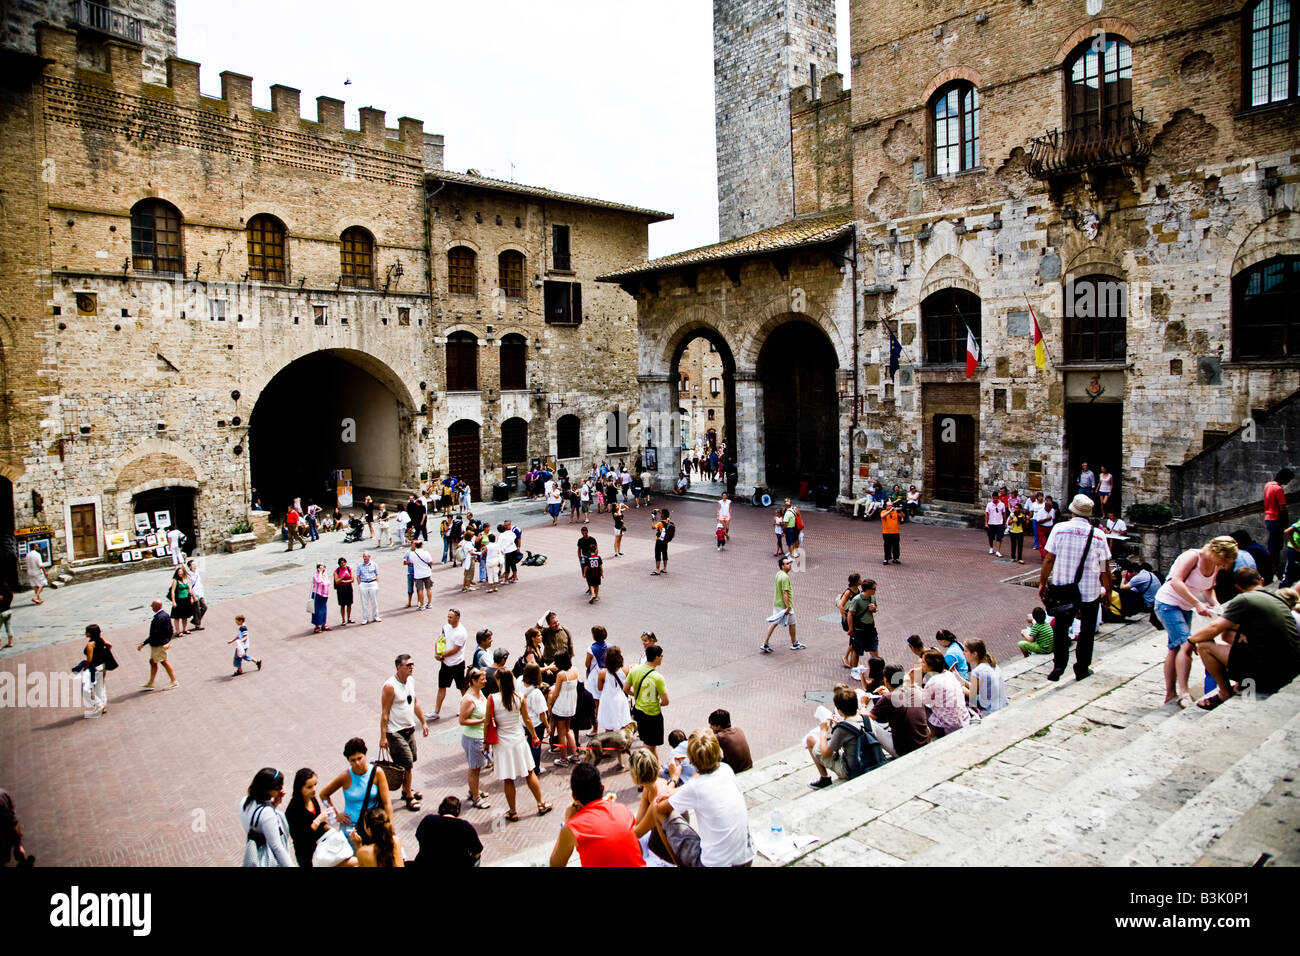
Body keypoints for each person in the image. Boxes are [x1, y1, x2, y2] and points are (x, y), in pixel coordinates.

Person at [634, 729, 753, 867]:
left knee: (658, 810)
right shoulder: (726, 769)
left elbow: (659, 804)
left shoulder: (695, 787)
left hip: (714, 865)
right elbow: (698, 779)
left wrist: (674, 778)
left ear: (691, 759)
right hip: (746, 858)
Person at [1190, 567, 1300, 709]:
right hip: (1289, 669)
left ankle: (1224, 692)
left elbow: (1214, 628)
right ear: (1262, 581)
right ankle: (1241, 682)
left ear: (1238, 587)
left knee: (1204, 645)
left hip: (1270, 675)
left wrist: (1190, 641)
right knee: (1231, 633)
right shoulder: (1276, 598)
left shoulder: (1245, 599)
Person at [1153, 535, 1238, 708]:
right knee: (1187, 645)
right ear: (1216, 552)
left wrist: (1216, 605)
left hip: (1185, 606)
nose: (1222, 565)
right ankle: (1183, 693)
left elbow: (1208, 589)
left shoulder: (1214, 565)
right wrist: (1197, 603)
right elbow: (1175, 581)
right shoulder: (1192, 556)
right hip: (1168, 603)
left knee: (1174, 647)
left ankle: (1170, 693)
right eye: (1223, 560)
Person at [1038, 494, 1112, 682]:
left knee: (1061, 628)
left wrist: (1042, 582)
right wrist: (1108, 590)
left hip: (1063, 589)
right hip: (1089, 591)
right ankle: (1081, 668)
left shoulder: (1059, 529)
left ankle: (1059, 665)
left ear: (1072, 511)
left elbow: (1049, 558)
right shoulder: (1098, 535)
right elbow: (1104, 567)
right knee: (1087, 631)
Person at [549, 762, 645, 867]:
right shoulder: (622, 809)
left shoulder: (572, 827)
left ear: (574, 797)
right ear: (602, 788)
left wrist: (567, 821)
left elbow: (555, 864)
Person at [491, 670, 553, 821]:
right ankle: (540, 803)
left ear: (499, 682)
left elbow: (488, 723)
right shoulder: (519, 698)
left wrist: (487, 744)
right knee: (529, 772)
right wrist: (534, 736)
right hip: (518, 739)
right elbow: (527, 720)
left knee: (508, 778)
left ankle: (513, 811)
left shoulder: (492, 699)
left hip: (503, 742)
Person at [320, 737, 393, 844]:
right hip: (351, 827)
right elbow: (324, 794)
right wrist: (335, 815)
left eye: (360, 758)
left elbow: (387, 803)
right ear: (348, 760)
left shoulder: (377, 773)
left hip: (372, 826)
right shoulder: (345, 776)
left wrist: (389, 827)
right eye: (352, 760)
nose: (357, 763)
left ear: (365, 755)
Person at [381, 654, 430, 812]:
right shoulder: (390, 686)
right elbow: (385, 713)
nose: (411, 667)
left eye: (412, 664)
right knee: (407, 762)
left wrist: (423, 721)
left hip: (409, 729)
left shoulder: (411, 681)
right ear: (398, 667)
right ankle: (409, 796)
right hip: (395, 732)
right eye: (408, 665)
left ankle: (405, 789)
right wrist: (383, 736)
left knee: (410, 760)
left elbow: (414, 703)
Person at [807, 684, 868, 788]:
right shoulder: (866, 718)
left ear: (839, 711)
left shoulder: (842, 729)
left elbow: (825, 753)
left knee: (810, 739)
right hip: (867, 760)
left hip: (850, 769)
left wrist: (823, 731)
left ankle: (824, 778)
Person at [285, 767, 347, 868]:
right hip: (306, 855)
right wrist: (318, 820)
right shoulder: (293, 809)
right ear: (299, 788)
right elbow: (301, 839)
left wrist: (329, 828)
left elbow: (320, 822)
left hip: (321, 848)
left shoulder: (312, 799)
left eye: (315, 785)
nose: (314, 790)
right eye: (309, 787)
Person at [869, 665, 931, 757]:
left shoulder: (887, 698)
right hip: (924, 741)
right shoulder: (915, 691)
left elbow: (868, 717)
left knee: (870, 724)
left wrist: (862, 704)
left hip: (903, 751)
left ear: (885, 680)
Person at [241, 767, 295, 867]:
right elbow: (277, 847)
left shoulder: (245, 802)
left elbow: (259, 825)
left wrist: (274, 805)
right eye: (279, 788)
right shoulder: (267, 814)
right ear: (267, 789)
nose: (282, 790)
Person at [625, 644, 668, 757]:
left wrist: (638, 695)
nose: (662, 657)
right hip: (653, 715)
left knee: (650, 743)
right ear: (657, 657)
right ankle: (636, 761)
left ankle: (656, 766)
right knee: (648, 745)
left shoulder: (634, 670)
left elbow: (626, 688)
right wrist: (657, 702)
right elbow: (665, 701)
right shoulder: (658, 677)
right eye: (661, 655)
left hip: (639, 712)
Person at [414, 796, 483, 867]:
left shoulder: (428, 820)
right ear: (458, 811)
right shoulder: (465, 826)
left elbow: (418, 836)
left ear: (440, 808)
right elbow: (477, 851)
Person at [457, 668, 491, 808]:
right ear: (473, 681)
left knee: (477, 767)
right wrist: (482, 721)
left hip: (480, 736)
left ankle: (474, 790)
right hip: (473, 739)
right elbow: (462, 720)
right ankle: (475, 797)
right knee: (474, 768)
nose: (485, 681)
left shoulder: (479, 692)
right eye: (482, 679)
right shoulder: (469, 700)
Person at [919, 649, 970, 737]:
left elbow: (922, 701)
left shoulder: (932, 682)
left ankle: (929, 735)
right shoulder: (950, 675)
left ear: (931, 666)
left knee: (920, 707)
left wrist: (913, 685)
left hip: (950, 727)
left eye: (923, 662)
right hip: (965, 720)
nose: (921, 665)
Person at [762, 555, 806, 652]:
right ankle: (794, 643)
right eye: (787, 564)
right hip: (784, 606)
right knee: (793, 623)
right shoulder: (785, 577)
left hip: (777, 603)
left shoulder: (778, 574)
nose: (789, 565)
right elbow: (785, 592)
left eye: (789, 563)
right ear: (782, 566)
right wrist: (788, 607)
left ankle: (765, 643)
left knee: (775, 623)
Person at [434, 607, 469, 718]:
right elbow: (440, 640)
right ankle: (436, 712)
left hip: (457, 664)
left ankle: (465, 709)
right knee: (442, 686)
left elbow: (455, 649)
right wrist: (437, 653)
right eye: (448, 617)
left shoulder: (461, 632)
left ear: (457, 618)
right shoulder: (445, 627)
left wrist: (441, 655)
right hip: (445, 664)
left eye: (451, 617)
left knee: (462, 688)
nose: (448, 619)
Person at [548, 651, 581, 766]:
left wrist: (551, 704)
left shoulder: (561, 675)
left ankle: (563, 758)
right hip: (571, 706)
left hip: (561, 707)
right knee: (568, 731)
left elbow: (556, 693)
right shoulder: (575, 670)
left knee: (561, 733)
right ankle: (575, 755)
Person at [137, 599, 178, 690]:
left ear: (156, 607)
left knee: (163, 661)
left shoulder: (158, 618)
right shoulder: (165, 615)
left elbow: (154, 634)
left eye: (152, 606)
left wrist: (143, 643)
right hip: (160, 643)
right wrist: (168, 640)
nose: (151, 607)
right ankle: (151, 682)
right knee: (153, 661)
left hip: (158, 644)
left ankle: (174, 681)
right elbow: (170, 629)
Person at [961, 639, 1007, 713]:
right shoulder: (992, 664)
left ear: (974, 654)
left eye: (966, 651)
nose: (963, 653)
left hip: (990, 708)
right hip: (1002, 703)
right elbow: (977, 687)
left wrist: (960, 687)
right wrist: (960, 679)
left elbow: (972, 695)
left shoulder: (977, 671)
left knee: (961, 695)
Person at [595, 645, 632, 735]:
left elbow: (599, 688)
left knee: (608, 727)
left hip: (607, 700)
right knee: (623, 724)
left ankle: (609, 745)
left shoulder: (602, 673)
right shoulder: (625, 669)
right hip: (621, 699)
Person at [1265, 469, 1294, 575]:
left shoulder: (1268, 485)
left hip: (1268, 518)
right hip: (1276, 519)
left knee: (1272, 545)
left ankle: (1272, 567)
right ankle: (1273, 568)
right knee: (1275, 547)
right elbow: (1282, 507)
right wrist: (1286, 518)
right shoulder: (1278, 489)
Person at [844, 577, 878, 666]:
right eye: (874, 588)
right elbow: (850, 614)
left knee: (874, 649)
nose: (875, 590)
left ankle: (876, 669)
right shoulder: (857, 599)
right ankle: (854, 670)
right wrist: (851, 629)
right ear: (868, 589)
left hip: (870, 628)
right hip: (859, 629)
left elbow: (876, 608)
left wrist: (874, 609)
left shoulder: (873, 597)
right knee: (857, 650)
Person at [80, 624, 112, 718]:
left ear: (90, 633)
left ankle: (99, 705)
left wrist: (85, 667)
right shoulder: (101, 640)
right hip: (103, 666)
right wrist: (105, 653)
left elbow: (89, 659)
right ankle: (103, 706)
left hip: (94, 668)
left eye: (86, 632)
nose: (85, 633)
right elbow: (109, 645)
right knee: (100, 686)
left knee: (85, 688)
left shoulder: (90, 644)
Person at [708, 709, 752, 773]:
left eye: (712, 725)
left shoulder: (719, 737)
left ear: (718, 726)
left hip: (737, 771)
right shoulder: (738, 729)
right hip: (749, 766)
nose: (710, 727)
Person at [838, 572, 862, 668]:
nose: (861, 580)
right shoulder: (849, 592)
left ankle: (852, 658)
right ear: (856, 582)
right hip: (849, 618)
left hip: (856, 618)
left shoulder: (858, 590)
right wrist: (845, 618)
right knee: (855, 638)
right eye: (860, 579)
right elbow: (841, 605)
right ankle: (846, 657)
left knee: (854, 637)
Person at [355, 551, 381, 624]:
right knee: (364, 602)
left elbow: (377, 574)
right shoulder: (360, 565)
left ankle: (376, 616)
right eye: (363, 556)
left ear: (369, 557)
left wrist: (376, 582)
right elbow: (357, 576)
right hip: (364, 583)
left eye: (366, 556)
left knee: (374, 601)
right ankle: (365, 618)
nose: (365, 558)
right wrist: (360, 584)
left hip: (372, 582)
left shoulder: (374, 564)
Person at [168, 564, 193, 637]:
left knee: (185, 616)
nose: (180, 573)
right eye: (179, 572)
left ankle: (185, 629)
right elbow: (172, 591)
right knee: (177, 616)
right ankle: (178, 631)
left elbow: (189, 589)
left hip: (186, 599)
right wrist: (173, 601)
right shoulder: (175, 581)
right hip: (179, 600)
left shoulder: (186, 579)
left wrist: (191, 598)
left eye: (181, 572)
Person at [186, 558, 208, 630]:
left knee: (204, 607)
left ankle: (195, 620)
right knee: (197, 609)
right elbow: (189, 585)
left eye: (195, 564)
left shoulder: (197, 572)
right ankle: (198, 624)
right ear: (189, 567)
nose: (195, 566)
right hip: (194, 593)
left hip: (200, 592)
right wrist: (192, 596)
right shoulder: (188, 575)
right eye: (193, 565)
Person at [309, 563, 331, 633]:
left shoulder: (325, 574)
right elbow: (319, 581)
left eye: (324, 567)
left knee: (324, 610)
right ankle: (316, 626)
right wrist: (320, 572)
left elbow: (328, 582)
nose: (323, 569)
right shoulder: (316, 575)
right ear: (318, 569)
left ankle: (323, 624)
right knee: (317, 611)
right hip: (317, 595)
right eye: (321, 568)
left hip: (324, 595)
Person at [984, 492, 1006, 557]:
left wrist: (1004, 522)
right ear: (992, 497)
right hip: (991, 522)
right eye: (994, 498)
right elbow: (987, 514)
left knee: (999, 537)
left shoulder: (1002, 504)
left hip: (999, 523)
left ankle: (998, 551)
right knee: (991, 537)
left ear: (998, 497)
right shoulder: (989, 504)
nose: (995, 499)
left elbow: (1004, 513)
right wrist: (986, 523)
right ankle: (991, 547)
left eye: (996, 498)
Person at [880, 497, 902, 564]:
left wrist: (900, 510)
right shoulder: (883, 511)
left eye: (891, 505)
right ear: (886, 506)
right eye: (889, 506)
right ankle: (886, 559)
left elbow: (902, 517)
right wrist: (890, 511)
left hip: (895, 532)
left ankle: (895, 558)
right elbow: (882, 516)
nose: (891, 506)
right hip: (887, 532)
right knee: (887, 546)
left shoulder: (895, 512)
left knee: (896, 546)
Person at [333, 557, 354, 626]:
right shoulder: (336, 571)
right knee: (342, 605)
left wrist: (344, 581)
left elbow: (352, 579)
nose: (343, 564)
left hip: (348, 588)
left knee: (349, 604)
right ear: (339, 564)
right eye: (342, 563)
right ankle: (343, 620)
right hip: (341, 589)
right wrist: (343, 576)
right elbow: (336, 581)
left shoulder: (349, 568)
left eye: (344, 562)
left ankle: (349, 618)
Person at [577, 526, 597, 595]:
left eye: (585, 533)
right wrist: (579, 558)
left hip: (590, 558)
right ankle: (589, 588)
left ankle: (593, 587)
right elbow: (579, 550)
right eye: (582, 533)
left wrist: (594, 556)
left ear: (587, 532)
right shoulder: (580, 540)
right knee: (586, 575)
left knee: (592, 574)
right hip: (583, 558)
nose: (583, 535)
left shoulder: (592, 539)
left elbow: (596, 549)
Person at [651, 507, 672, 575]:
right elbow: (666, 515)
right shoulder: (668, 520)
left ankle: (657, 570)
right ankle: (665, 568)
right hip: (665, 541)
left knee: (657, 554)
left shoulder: (660, 523)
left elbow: (653, 527)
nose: (660, 515)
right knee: (665, 553)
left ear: (662, 515)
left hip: (659, 540)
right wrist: (659, 511)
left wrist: (652, 520)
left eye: (661, 514)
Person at [0, 581, 13, 648]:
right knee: (8, 627)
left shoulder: (1, 595)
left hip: (1, 612)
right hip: (8, 611)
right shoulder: (10, 593)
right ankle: (10, 642)